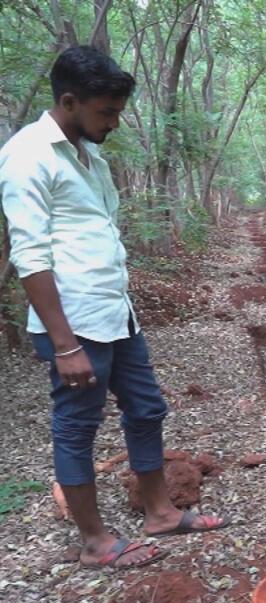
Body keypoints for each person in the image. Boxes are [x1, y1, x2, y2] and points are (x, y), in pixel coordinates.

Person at [0, 47, 227, 569]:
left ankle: (161, 513)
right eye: (106, 112)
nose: (114, 123)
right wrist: (64, 345)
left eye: (118, 112)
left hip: (115, 314)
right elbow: (30, 256)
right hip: (74, 322)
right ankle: (95, 541)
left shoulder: (90, 156)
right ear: (69, 101)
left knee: (147, 407)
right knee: (77, 424)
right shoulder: (28, 155)